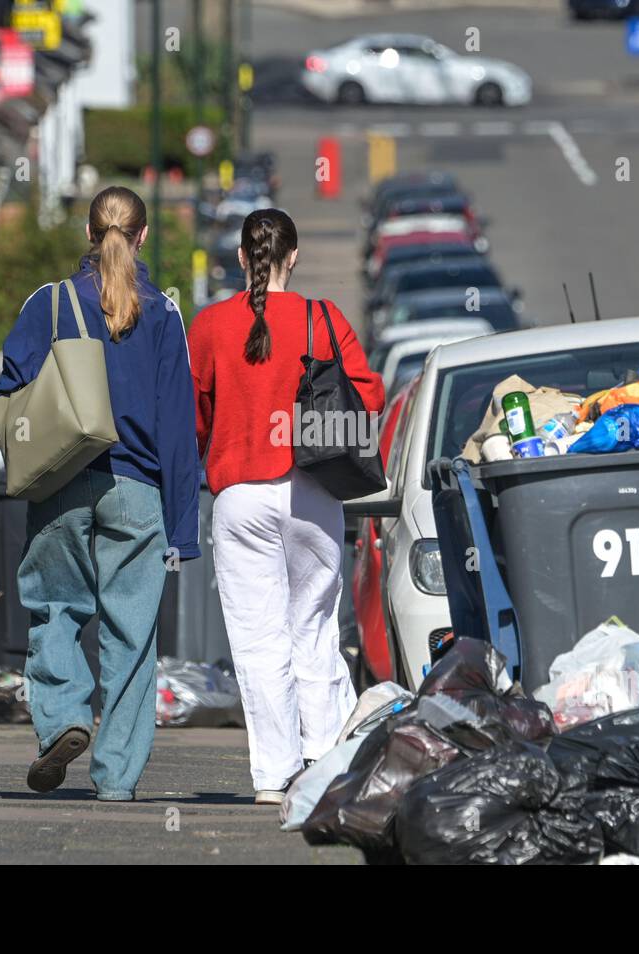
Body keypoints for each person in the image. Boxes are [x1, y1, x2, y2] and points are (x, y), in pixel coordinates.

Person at [0, 186, 200, 800]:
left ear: (88, 234)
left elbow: (10, 389)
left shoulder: (47, 305)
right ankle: (116, 779)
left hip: (61, 479)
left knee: (56, 607)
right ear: (141, 238)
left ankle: (63, 719)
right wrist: (182, 531)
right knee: (132, 636)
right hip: (138, 491)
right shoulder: (163, 312)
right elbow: (178, 429)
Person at [187, 208, 386, 804]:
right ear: (291, 258)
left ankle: (273, 777)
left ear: (244, 257)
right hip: (312, 491)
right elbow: (369, 397)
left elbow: (193, 413)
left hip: (240, 495)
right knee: (315, 630)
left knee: (258, 642)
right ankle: (323, 762)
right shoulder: (323, 319)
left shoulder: (211, 325)